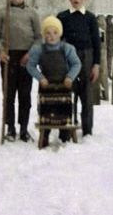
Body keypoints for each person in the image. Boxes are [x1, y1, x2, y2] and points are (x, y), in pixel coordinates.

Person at [0, 0, 41, 142]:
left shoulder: (32, 13)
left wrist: (30, 54)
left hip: (26, 58)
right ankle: (10, 128)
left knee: (25, 95)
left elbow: (39, 38)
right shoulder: (2, 13)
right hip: (8, 57)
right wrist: (0, 51)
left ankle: (23, 128)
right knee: (9, 95)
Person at [26, 15, 82, 148]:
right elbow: (30, 66)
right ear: (43, 34)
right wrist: (40, 78)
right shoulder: (38, 49)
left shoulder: (67, 48)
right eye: (48, 33)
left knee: (64, 109)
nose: (51, 36)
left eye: (55, 32)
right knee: (46, 110)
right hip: (46, 85)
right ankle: (45, 134)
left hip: (64, 85)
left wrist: (70, 77)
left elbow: (76, 64)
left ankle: (65, 134)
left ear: (60, 33)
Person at [57, 0, 102, 139]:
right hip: (68, 58)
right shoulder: (62, 17)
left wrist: (96, 64)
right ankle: (66, 130)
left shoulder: (90, 18)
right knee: (68, 93)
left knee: (87, 95)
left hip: (86, 57)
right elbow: (57, 40)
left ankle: (87, 130)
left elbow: (96, 43)